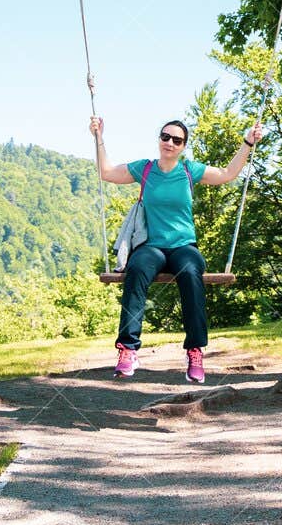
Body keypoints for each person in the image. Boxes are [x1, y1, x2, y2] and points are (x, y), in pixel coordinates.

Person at [89, 114, 265, 383]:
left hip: (184, 246)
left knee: (191, 271)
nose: (169, 142)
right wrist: (98, 137)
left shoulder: (188, 171)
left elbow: (228, 174)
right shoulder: (144, 169)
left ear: (183, 146)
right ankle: (127, 349)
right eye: (165, 137)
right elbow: (107, 173)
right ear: (159, 140)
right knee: (136, 269)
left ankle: (195, 351)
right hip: (152, 247)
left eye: (176, 140)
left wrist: (247, 143)